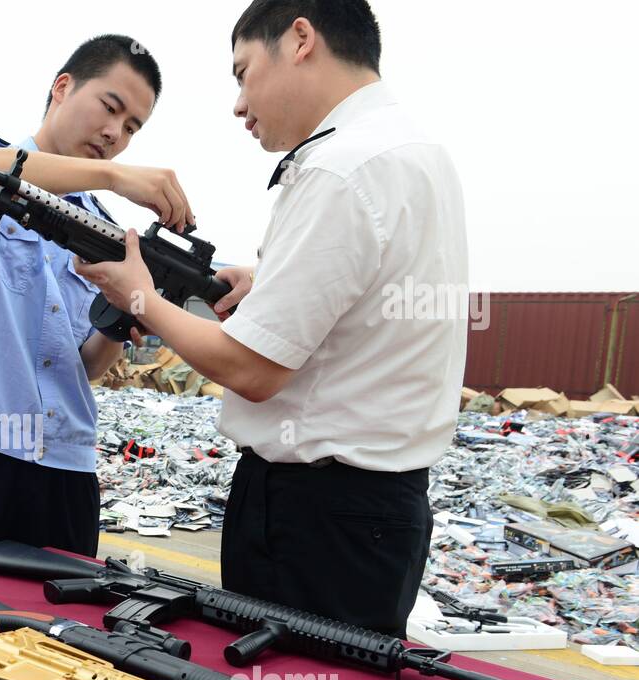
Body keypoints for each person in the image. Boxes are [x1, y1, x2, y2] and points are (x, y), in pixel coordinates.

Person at [75, 0, 469, 636]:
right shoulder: (413, 151)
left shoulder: (341, 168)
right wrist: (268, 282)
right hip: (376, 512)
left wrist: (141, 297)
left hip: (315, 517)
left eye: (242, 70)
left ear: (301, 39)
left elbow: (251, 369)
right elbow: (372, 293)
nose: (238, 103)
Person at [0, 34, 246, 556]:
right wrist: (112, 176)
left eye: (133, 128)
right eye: (110, 108)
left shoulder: (107, 229)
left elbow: (86, 365)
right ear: (63, 88)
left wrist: (127, 313)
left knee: (65, 631)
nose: (115, 133)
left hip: (67, 462)